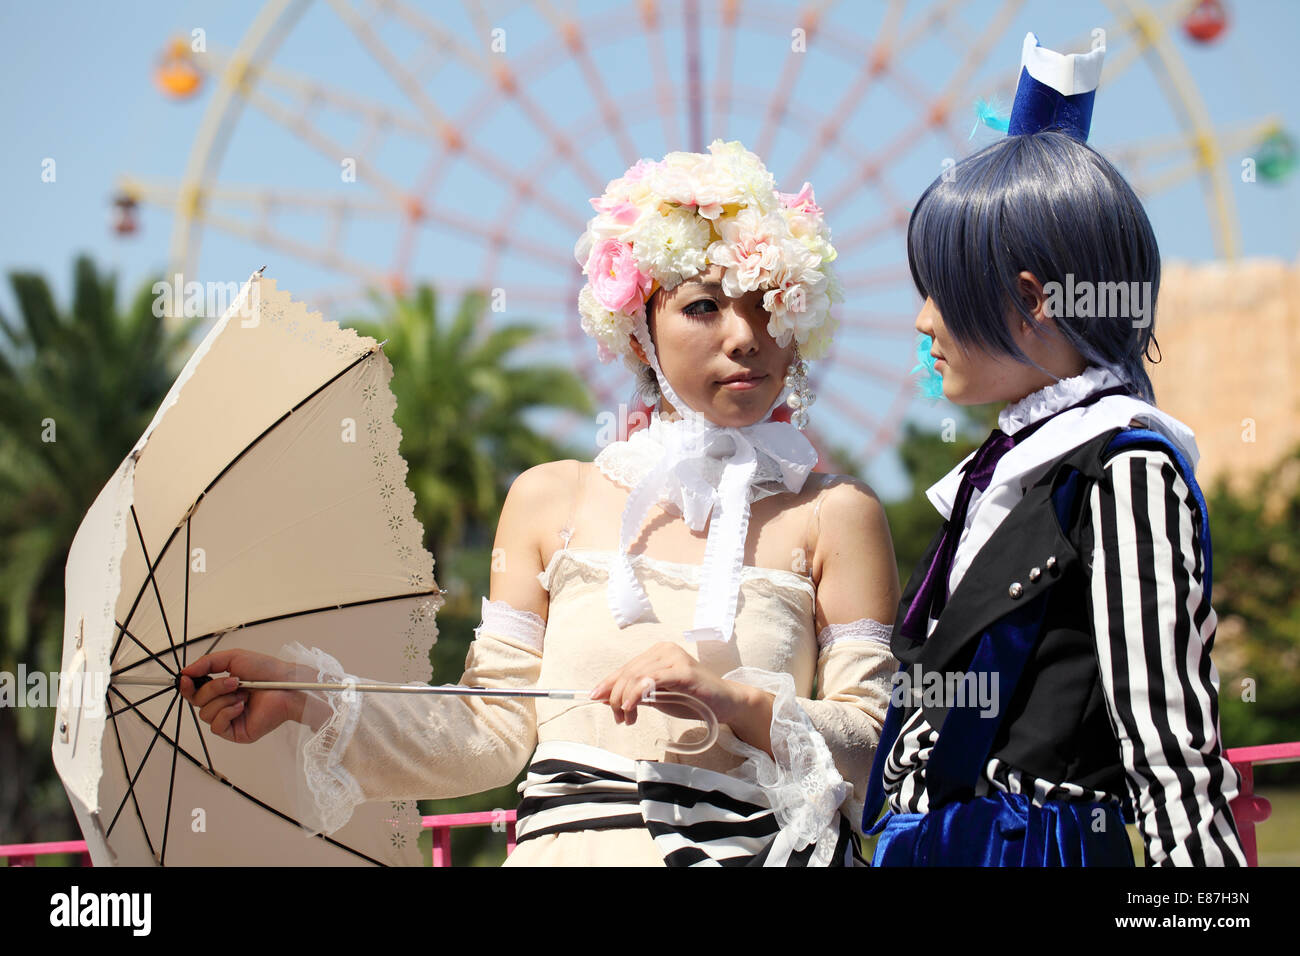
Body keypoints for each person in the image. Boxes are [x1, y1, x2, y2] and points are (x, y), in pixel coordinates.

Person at [181, 140, 901, 866]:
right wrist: (306, 696)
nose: (745, 337)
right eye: (704, 306)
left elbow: (878, 756)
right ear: (639, 330)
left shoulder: (837, 514)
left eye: (768, 302)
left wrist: (732, 701)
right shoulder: (549, 499)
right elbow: (490, 732)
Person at [862, 32, 1247, 866]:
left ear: (1033, 300)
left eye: (943, 291)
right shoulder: (1012, 467)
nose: (923, 321)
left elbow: (1169, 743)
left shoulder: (1126, 468)